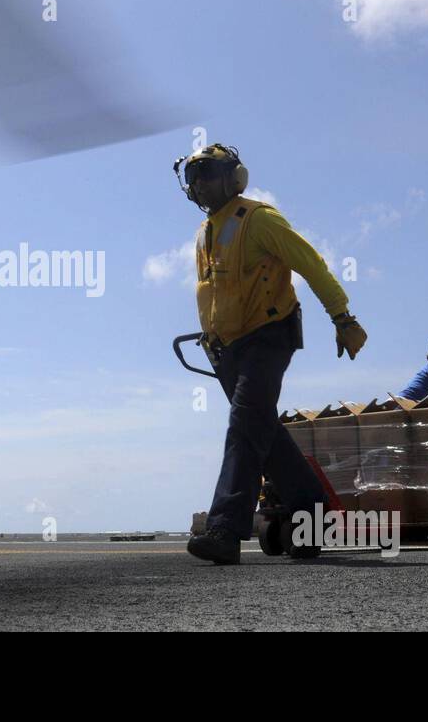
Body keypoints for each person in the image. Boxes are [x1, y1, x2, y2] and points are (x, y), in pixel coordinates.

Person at [174, 144, 367, 564]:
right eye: (193, 177)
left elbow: (311, 264)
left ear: (234, 176)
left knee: (245, 425)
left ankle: (226, 530)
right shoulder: (205, 233)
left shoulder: (258, 220)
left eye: (206, 173)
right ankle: (312, 514)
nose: (199, 184)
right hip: (227, 349)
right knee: (264, 431)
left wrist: (342, 318)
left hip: (269, 336)